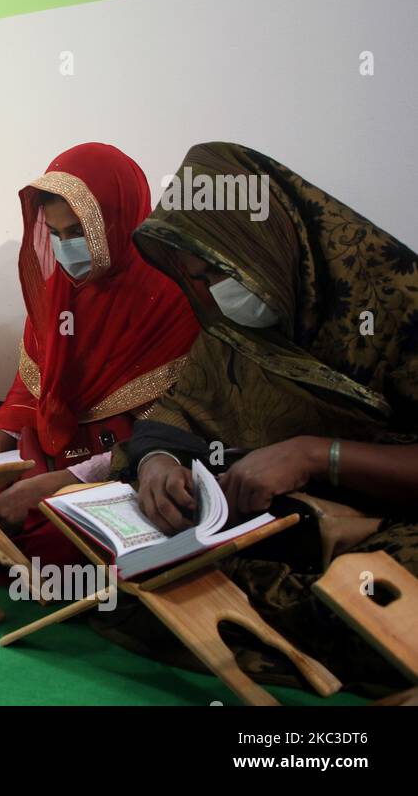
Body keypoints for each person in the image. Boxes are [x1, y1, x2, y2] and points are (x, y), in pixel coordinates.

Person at [103, 142, 418, 693]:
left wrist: (315, 454)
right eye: (198, 279)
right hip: (277, 521)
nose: (213, 293)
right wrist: (156, 463)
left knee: (377, 591)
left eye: (221, 271)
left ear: (265, 242)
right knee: (137, 568)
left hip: (393, 519)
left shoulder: (395, 302)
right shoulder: (234, 330)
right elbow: (180, 410)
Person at [0, 143, 198, 565]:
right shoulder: (55, 296)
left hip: (121, 474)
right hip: (40, 461)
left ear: (116, 220)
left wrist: (58, 484)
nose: (65, 249)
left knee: (54, 541)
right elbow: (26, 399)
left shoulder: (171, 302)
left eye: (77, 232)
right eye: (56, 235)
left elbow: (162, 433)